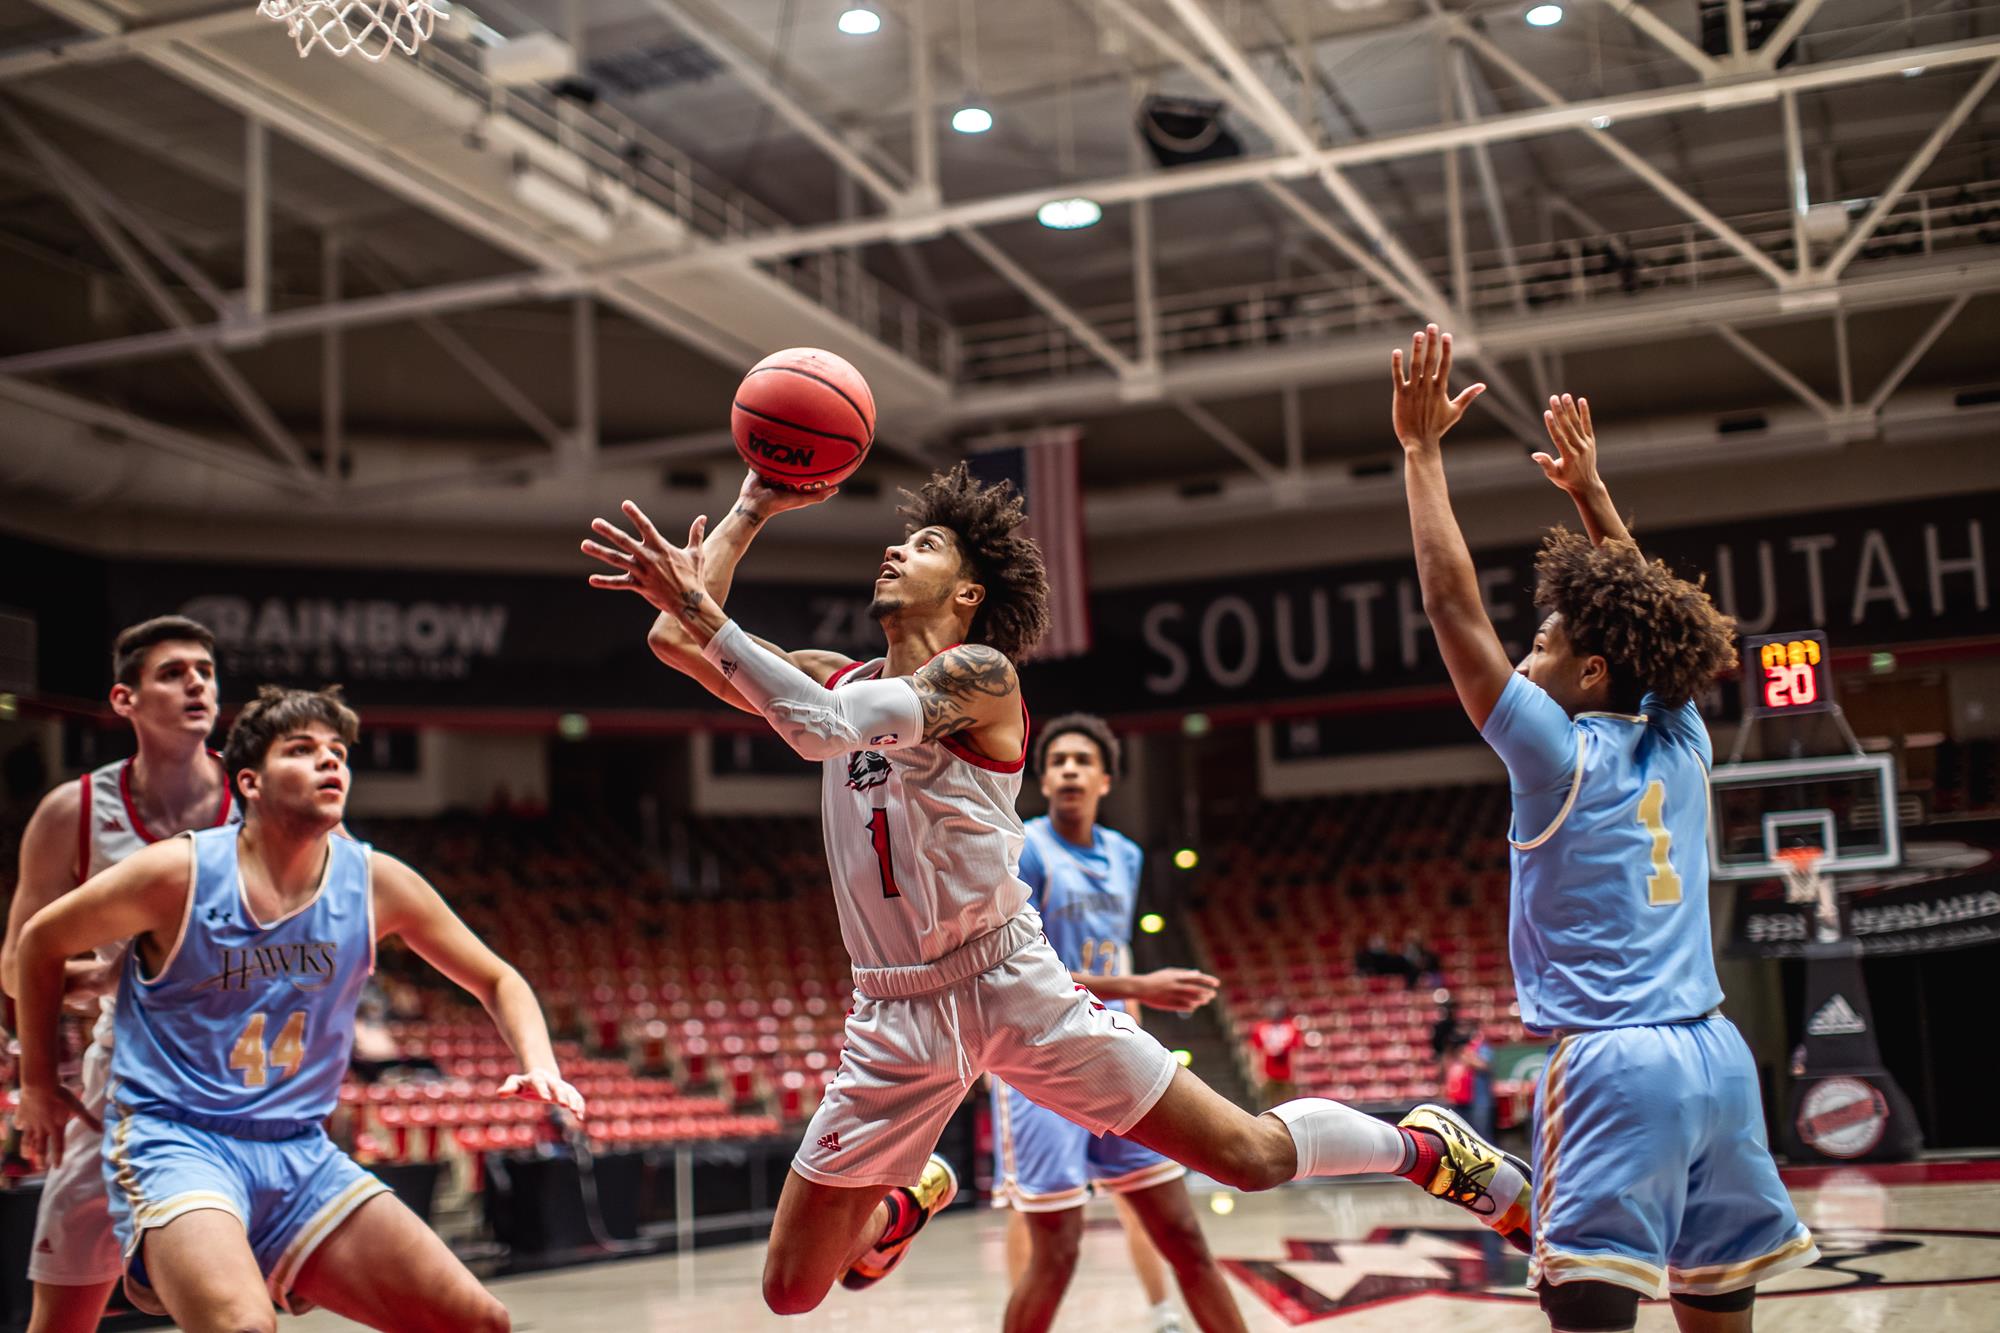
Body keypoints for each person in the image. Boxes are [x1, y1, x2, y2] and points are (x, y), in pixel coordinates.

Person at [588, 465, 1532, 1317]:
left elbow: (815, 725)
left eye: (920, 544)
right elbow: (677, 633)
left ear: (966, 593)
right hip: (893, 1012)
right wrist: (751, 505)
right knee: (792, 1291)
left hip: (1013, 985)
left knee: (1248, 1157)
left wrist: (711, 612)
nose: (890, 547)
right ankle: (908, 1196)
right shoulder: (835, 675)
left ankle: (1423, 1147)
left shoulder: (979, 676)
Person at [1393, 326, 1817, 1332]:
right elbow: (1651, 621)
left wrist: (1418, 455)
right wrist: (1590, 497)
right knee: (1717, 1313)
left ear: (1589, 676)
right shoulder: (1681, 736)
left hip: (1616, 1063)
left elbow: (1452, 609)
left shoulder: (1558, 751)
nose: (1523, 663)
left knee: (1586, 1312)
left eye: (1539, 647)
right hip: (1718, 1057)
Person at [12, 685, 585, 1332]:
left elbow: (499, 977)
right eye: (304, 749)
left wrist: (540, 1063)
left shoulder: (374, 881)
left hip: (299, 1151)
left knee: (479, 1321)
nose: (330, 762)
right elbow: (39, 941)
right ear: (250, 781)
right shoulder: (179, 872)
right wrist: (37, 1081)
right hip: (176, 1140)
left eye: (338, 751)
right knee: (244, 1327)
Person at [1, 615, 240, 1333]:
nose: (197, 682)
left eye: (205, 669)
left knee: (235, 1312)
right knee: (63, 1312)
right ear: (123, 698)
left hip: (238, 1085)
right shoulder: (71, 811)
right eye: (172, 672)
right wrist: (42, 1074)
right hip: (121, 1082)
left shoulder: (259, 798)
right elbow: (18, 967)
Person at [987, 712, 1242, 1333]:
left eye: (1083, 761)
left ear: (1107, 780)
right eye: (1057, 763)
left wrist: (1128, 999)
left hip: (1115, 1054)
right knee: (1057, 1249)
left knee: (1183, 1234)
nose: (1069, 769)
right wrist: (1137, 987)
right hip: (1040, 1057)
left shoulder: (1126, 855)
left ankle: (1169, 1313)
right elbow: (1026, 969)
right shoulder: (1028, 849)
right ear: (1042, 781)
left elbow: (1110, 950)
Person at [1249, 1001, 1301, 1102]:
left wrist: (1295, 1073)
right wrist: (1257, 1073)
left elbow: (1294, 1053)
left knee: (1287, 1103)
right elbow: (1256, 1052)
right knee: (1270, 1105)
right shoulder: (1261, 1027)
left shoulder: (1290, 1027)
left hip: (1286, 1075)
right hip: (1268, 1074)